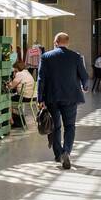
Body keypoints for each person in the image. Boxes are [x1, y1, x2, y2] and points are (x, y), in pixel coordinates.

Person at [38, 34, 89, 170]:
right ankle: (66, 151)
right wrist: (85, 86)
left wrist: (40, 98)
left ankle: (58, 154)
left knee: (55, 126)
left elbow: (41, 79)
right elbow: (84, 76)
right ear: (68, 43)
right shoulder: (76, 56)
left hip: (52, 97)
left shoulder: (46, 57)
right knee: (70, 126)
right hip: (70, 97)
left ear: (56, 42)